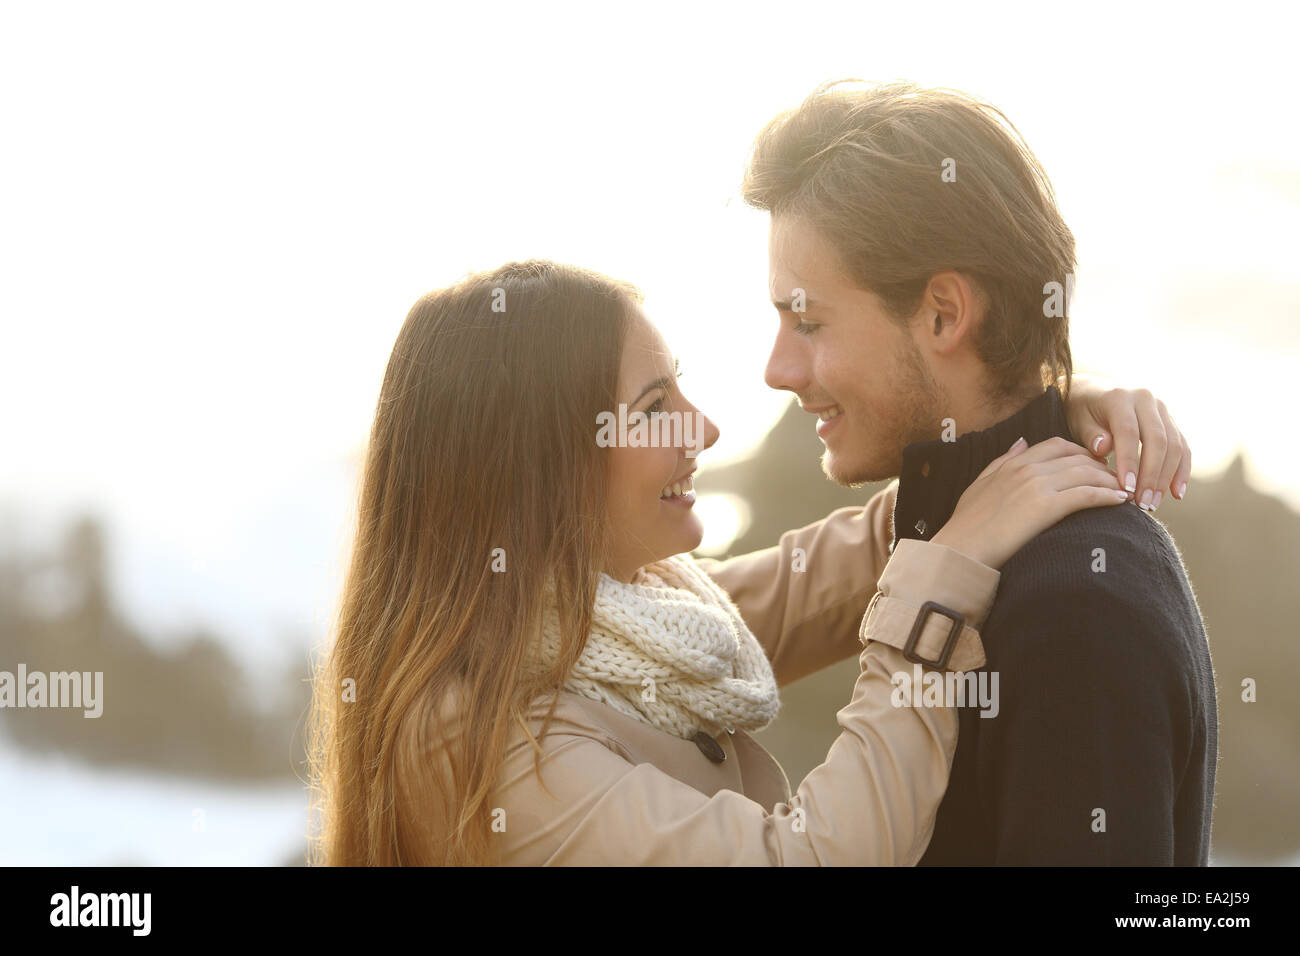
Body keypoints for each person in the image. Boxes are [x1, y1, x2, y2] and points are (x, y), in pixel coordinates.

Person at [307, 259, 1189, 865]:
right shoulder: (473, 736)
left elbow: (825, 574)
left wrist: (1042, 413)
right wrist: (944, 582)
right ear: (535, 464)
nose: (707, 427)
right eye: (656, 406)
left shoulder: (626, 624)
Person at [741, 80, 1216, 864]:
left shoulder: (1078, 602)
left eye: (809, 321)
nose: (777, 368)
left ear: (944, 315)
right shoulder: (951, 541)